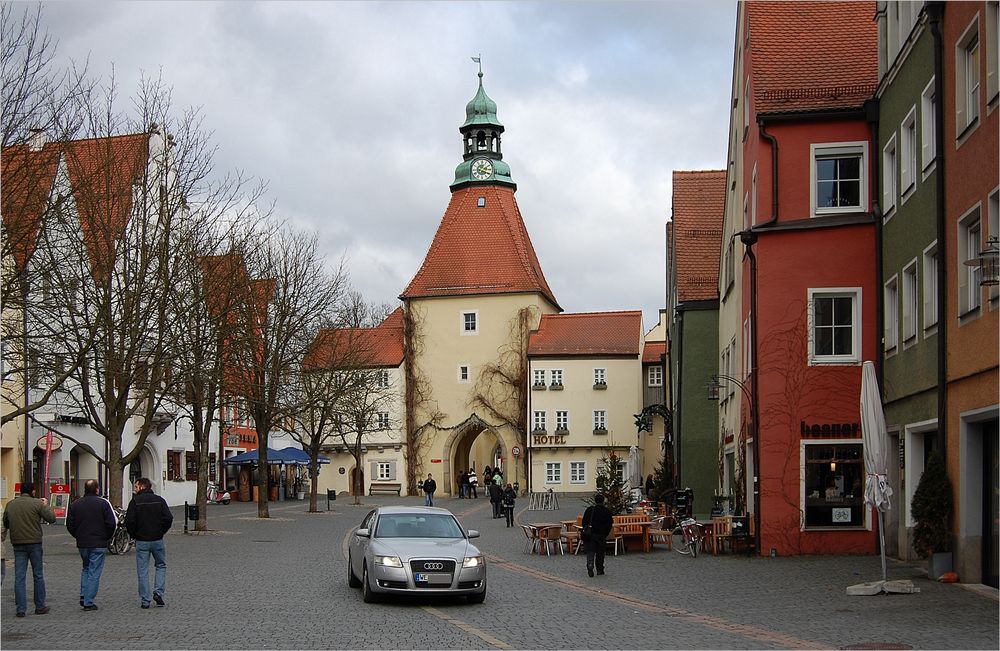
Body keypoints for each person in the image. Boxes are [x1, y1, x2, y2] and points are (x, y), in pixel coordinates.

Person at [1, 482, 55, 617]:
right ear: (33, 492)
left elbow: (6, 523)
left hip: (18, 543)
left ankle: (20, 608)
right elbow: (51, 518)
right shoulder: (37, 504)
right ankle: (40, 606)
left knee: (19, 577)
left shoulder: (11, 504)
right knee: (38, 575)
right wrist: (45, 505)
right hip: (34, 542)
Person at [66, 479, 117, 611]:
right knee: (94, 571)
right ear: (97, 489)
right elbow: (111, 523)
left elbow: (70, 524)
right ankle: (88, 601)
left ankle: (83, 595)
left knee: (86, 568)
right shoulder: (103, 504)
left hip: (83, 543)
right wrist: (106, 536)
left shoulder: (75, 504)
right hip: (99, 542)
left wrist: (77, 535)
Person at [125, 477, 173, 609]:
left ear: (141, 486)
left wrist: (134, 534)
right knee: (161, 565)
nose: (135, 489)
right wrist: (162, 531)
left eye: (136, 486)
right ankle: (158, 592)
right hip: (157, 539)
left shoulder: (135, 502)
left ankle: (145, 600)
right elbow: (168, 517)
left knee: (142, 570)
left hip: (142, 540)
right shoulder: (160, 500)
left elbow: (129, 522)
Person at [581, 493, 614, 578]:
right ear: (603, 501)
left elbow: (584, 522)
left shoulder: (590, 510)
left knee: (590, 551)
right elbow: (609, 524)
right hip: (601, 535)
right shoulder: (606, 511)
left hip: (591, 534)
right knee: (600, 552)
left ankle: (590, 564)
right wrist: (605, 533)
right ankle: (600, 569)